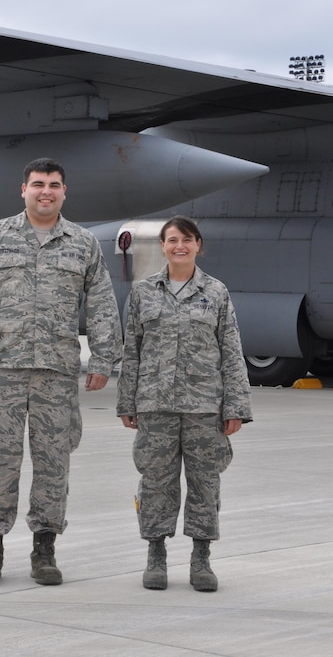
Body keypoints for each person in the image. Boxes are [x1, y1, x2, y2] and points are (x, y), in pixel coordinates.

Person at [0, 157, 122, 587]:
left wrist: (103, 359)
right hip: (2, 370)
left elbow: (102, 304)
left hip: (56, 372)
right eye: (39, 184)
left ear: (64, 192)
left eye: (54, 185)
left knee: (53, 464)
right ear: (23, 189)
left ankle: (44, 549)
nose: (46, 191)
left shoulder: (83, 243)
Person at [116, 215, 252, 592]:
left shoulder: (216, 292)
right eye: (173, 240)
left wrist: (236, 407)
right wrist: (127, 402)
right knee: (155, 482)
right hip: (155, 405)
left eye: (187, 240)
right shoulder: (143, 292)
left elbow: (231, 351)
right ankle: (156, 555)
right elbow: (132, 351)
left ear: (198, 245)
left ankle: (201, 558)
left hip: (205, 408)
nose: (180, 246)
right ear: (162, 246)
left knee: (205, 483)